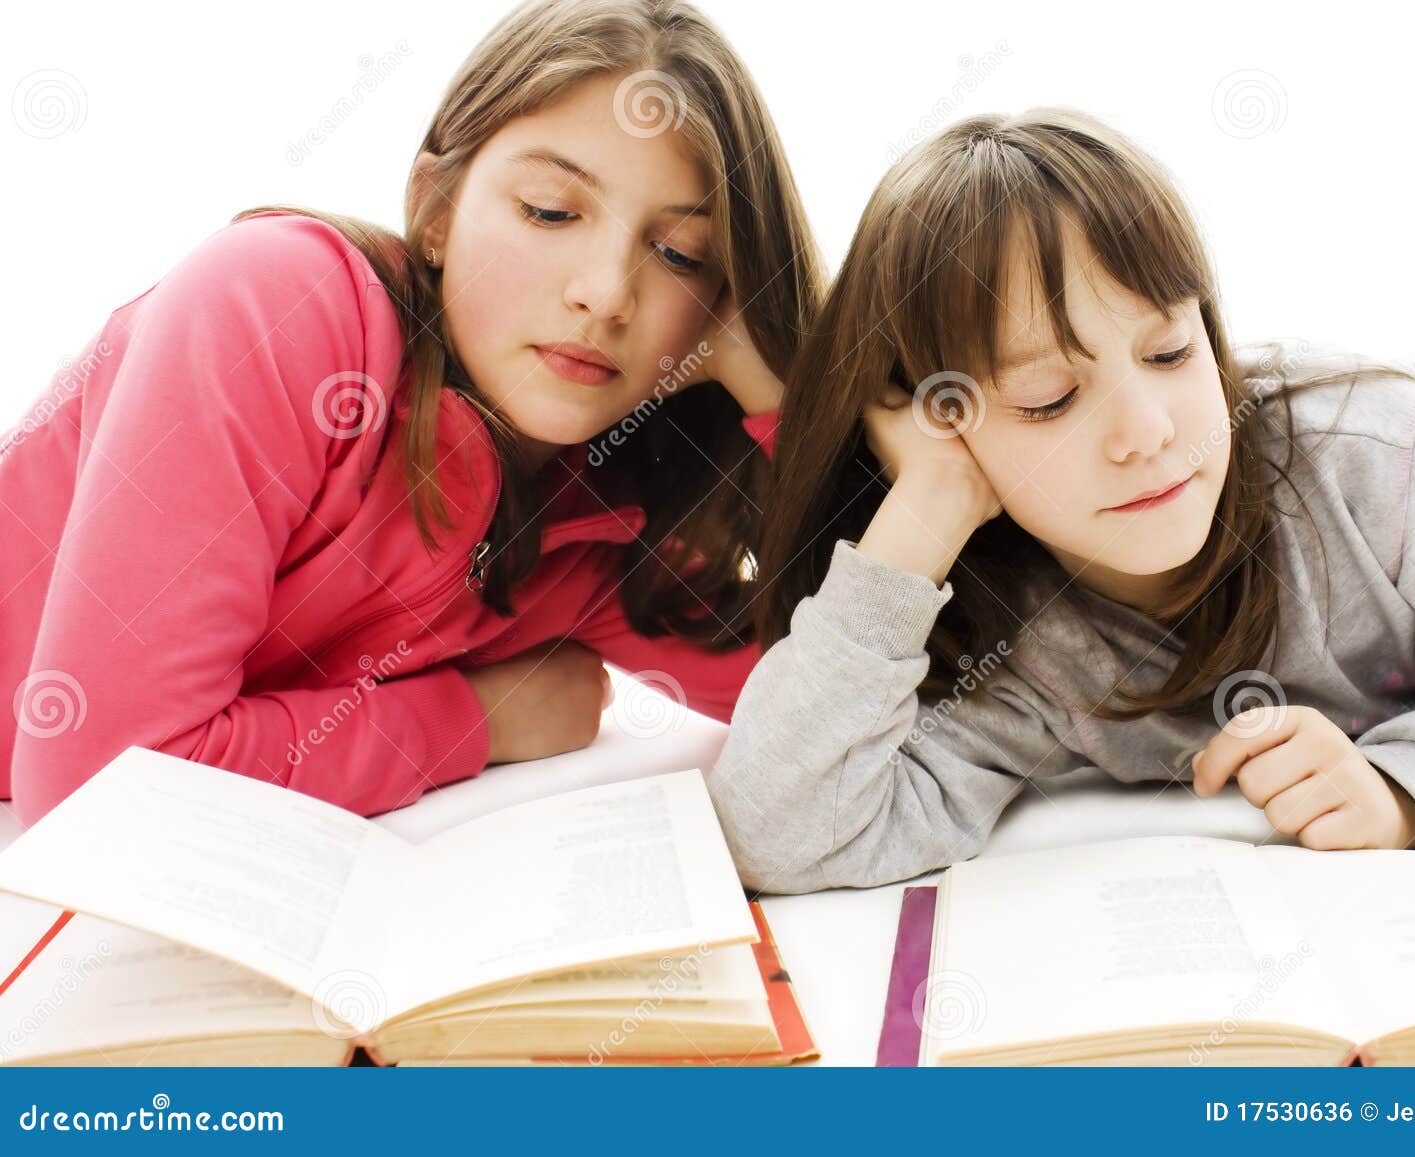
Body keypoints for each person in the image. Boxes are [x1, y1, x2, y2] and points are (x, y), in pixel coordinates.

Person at [706, 107, 1415, 893]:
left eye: (1171, 353)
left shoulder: (1381, 461)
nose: (1148, 432)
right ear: (945, 427)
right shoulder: (1017, 641)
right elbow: (781, 834)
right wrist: (926, 509)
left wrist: (1406, 793)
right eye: (1049, 398)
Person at [0, 0, 822, 827]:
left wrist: (782, 396)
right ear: (437, 211)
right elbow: (96, 795)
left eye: (682, 255)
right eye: (549, 210)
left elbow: (856, 718)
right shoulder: (278, 306)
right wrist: (482, 717)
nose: (606, 294)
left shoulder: (602, 518)